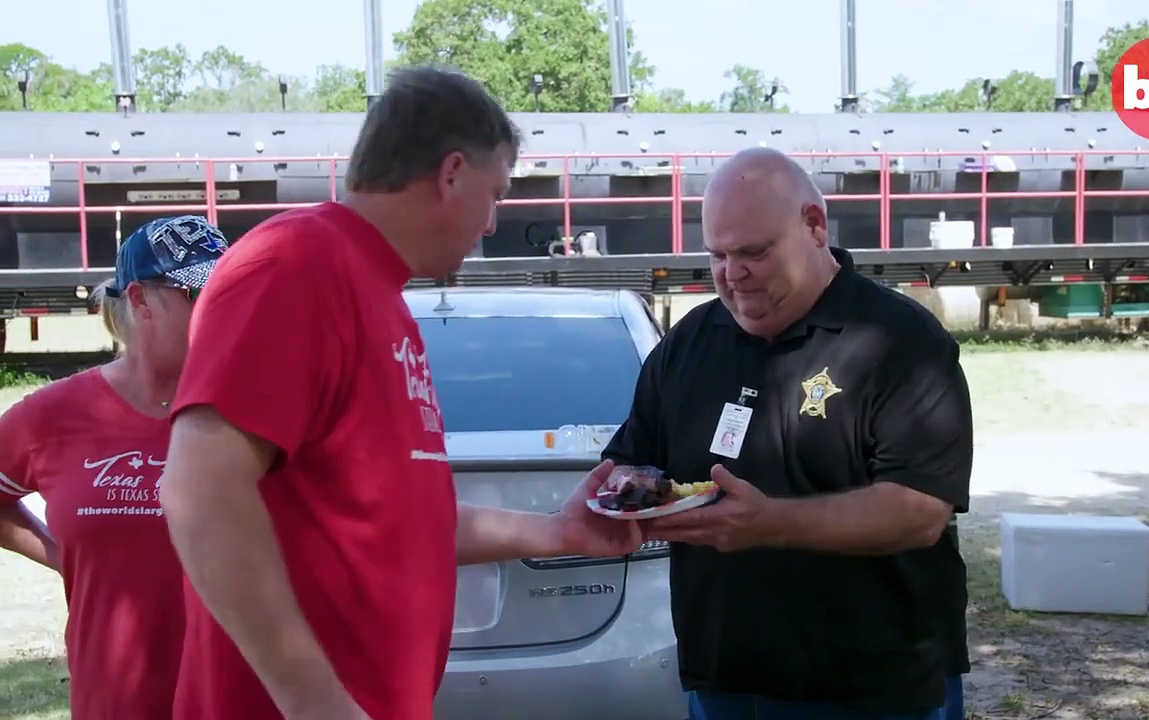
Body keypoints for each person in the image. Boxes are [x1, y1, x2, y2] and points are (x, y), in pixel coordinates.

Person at [157, 65, 642, 720]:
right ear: (450, 174)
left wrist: (561, 533)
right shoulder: (294, 266)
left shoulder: (382, 298)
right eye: (495, 193)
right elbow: (198, 490)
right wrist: (316, 702)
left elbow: (398, 521)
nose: (494, 221)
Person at [603, 147, 975, 720]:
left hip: (875, 687)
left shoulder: (898, 340)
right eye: (718, 255)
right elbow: (632, 462)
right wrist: (621, 491)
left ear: (814, 225)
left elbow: (919, 509)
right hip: (727, 676)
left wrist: (771, 524)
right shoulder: (689, 343)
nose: (732, 274)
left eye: (753, 252)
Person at [0, 215, 228, 719]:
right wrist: (65, 557)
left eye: (230, 291)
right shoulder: (54, 415)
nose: (225, 310)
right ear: (142, 301)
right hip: (116, 703)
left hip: (239, 699)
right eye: (200, 294)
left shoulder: (253, 409)